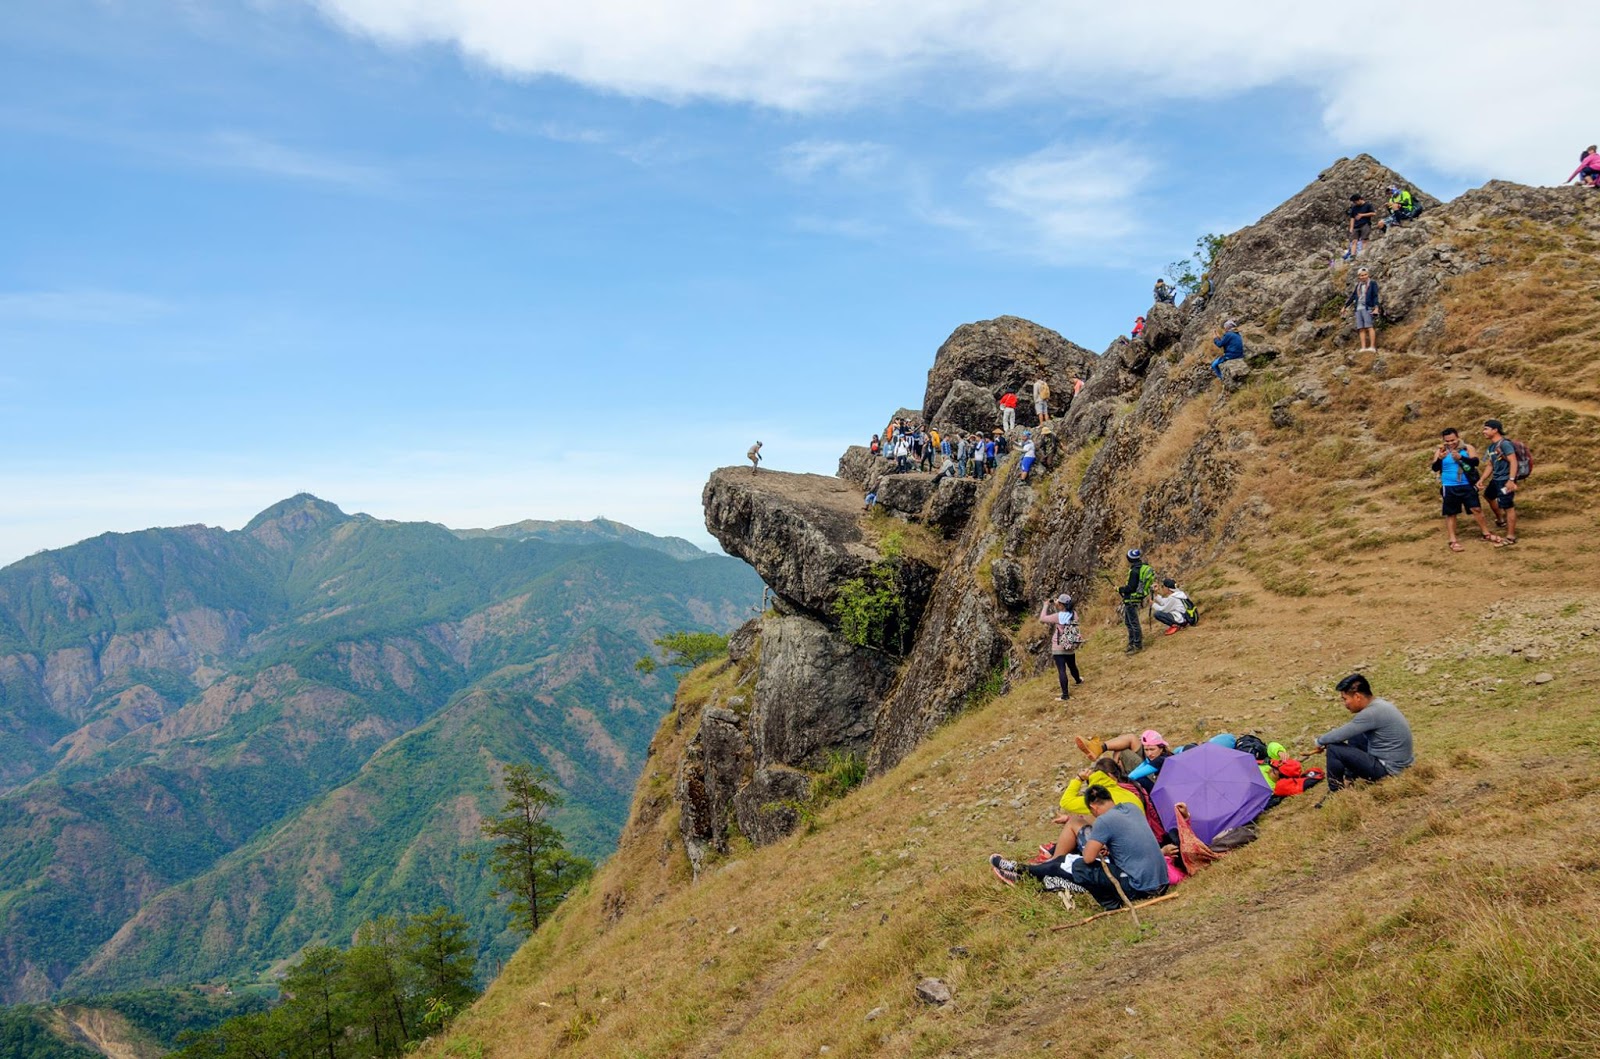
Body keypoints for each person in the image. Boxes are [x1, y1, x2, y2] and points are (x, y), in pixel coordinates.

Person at [990, 786, 1169, 909]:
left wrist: (1094, 849)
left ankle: (1020, 870)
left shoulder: (1105, 821)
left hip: (1139, 888)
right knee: (1064, 862)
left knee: (1078, 866)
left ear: (1093, 807)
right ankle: (1023, 871)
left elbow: (1088, 859)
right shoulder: (1131, 808)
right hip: (1161, 882)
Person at [1308, 674, 1414, 791]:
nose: (1345, 704)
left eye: (1345, 699)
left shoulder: (1370, 713)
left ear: (1357, 696)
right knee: (1356, 734)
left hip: (1389, 770)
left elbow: (1340, 734)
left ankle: (1335, 792)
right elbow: (1350, 731)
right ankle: (1349, 778)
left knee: (1334, 748)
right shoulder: (1380, 705)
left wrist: (1319, 741)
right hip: (1400, 765)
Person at [1432, 427, 1504, 551]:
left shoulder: (1467, 448)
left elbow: (1475, 463)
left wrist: (1461, 458)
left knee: (1476, 509)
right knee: (1451, 513)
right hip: (1449, 485)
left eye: (1452, 440)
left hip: (1467, 484)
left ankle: (1486, 533)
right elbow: (1434, 468)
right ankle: (1453, 540)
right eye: (1447, 441)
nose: (1450, 443)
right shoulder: (1441, 451)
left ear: (1458, 437)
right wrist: (1440, 459)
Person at [1479, 419, 1520, 544]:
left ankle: (1511, 537)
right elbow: (1490, 465)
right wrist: (1482, 479)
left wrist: (1511, 480)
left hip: (1505, 480)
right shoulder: (1492, 446)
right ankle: (1500, 520)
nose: (1483, 431)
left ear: (1495, 430)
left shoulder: (1505, 444)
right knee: (1488, 496)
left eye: (1486, 429)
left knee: (1508, 506)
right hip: (1496, 479)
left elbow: (1513, 461)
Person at [1038, 593, 1083, 700]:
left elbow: (1042, 618)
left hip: (1058, 646)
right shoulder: (1074, 614)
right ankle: (1078, 680)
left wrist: (1046, 605)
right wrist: (1058, 603)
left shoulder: (1057, 616)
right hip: (1070, 644)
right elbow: (1065, 611)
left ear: (1061, 605)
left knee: (1062, 670)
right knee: (1072, 665)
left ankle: (1065, 695)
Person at [1118, 548, 1154, 654]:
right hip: (1135, 598)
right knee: (1129, 622)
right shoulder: (1141, 567)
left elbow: (1131, 588)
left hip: (1131, 599)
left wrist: (1119, 589)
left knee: (1133, 623)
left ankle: (1137, 645)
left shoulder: (1134, 571)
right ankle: (1132, 643)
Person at [1342, 267, 1381, 353]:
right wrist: (1345, 306)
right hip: (1358, 308)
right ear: (1359, 276)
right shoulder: (1358, 286)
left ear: (1368, 274)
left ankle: (1372, 347)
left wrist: (1376, 307)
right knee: (1361, 328)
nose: (1363, 277)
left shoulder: (1372, 283)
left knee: (1369, 326)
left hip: (1368, 307)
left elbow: (1375, 296)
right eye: (1361, 275)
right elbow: (1353, 296)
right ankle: (1363, 347)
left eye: (1365, 275)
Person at [1345, 193, 1376, 260]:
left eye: (1355, 201)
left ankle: (1363, 254)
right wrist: (1351, 227)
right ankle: (1353, 256)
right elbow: (1352, 218)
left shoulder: (1368, 205)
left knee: (1364, 240)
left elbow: (1373, 213)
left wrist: (1362, 215)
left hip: (1365, 224)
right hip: (1356, 226)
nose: (1355, 203)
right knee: (1354, 241)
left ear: (1359, 199)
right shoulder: (1354, 207)